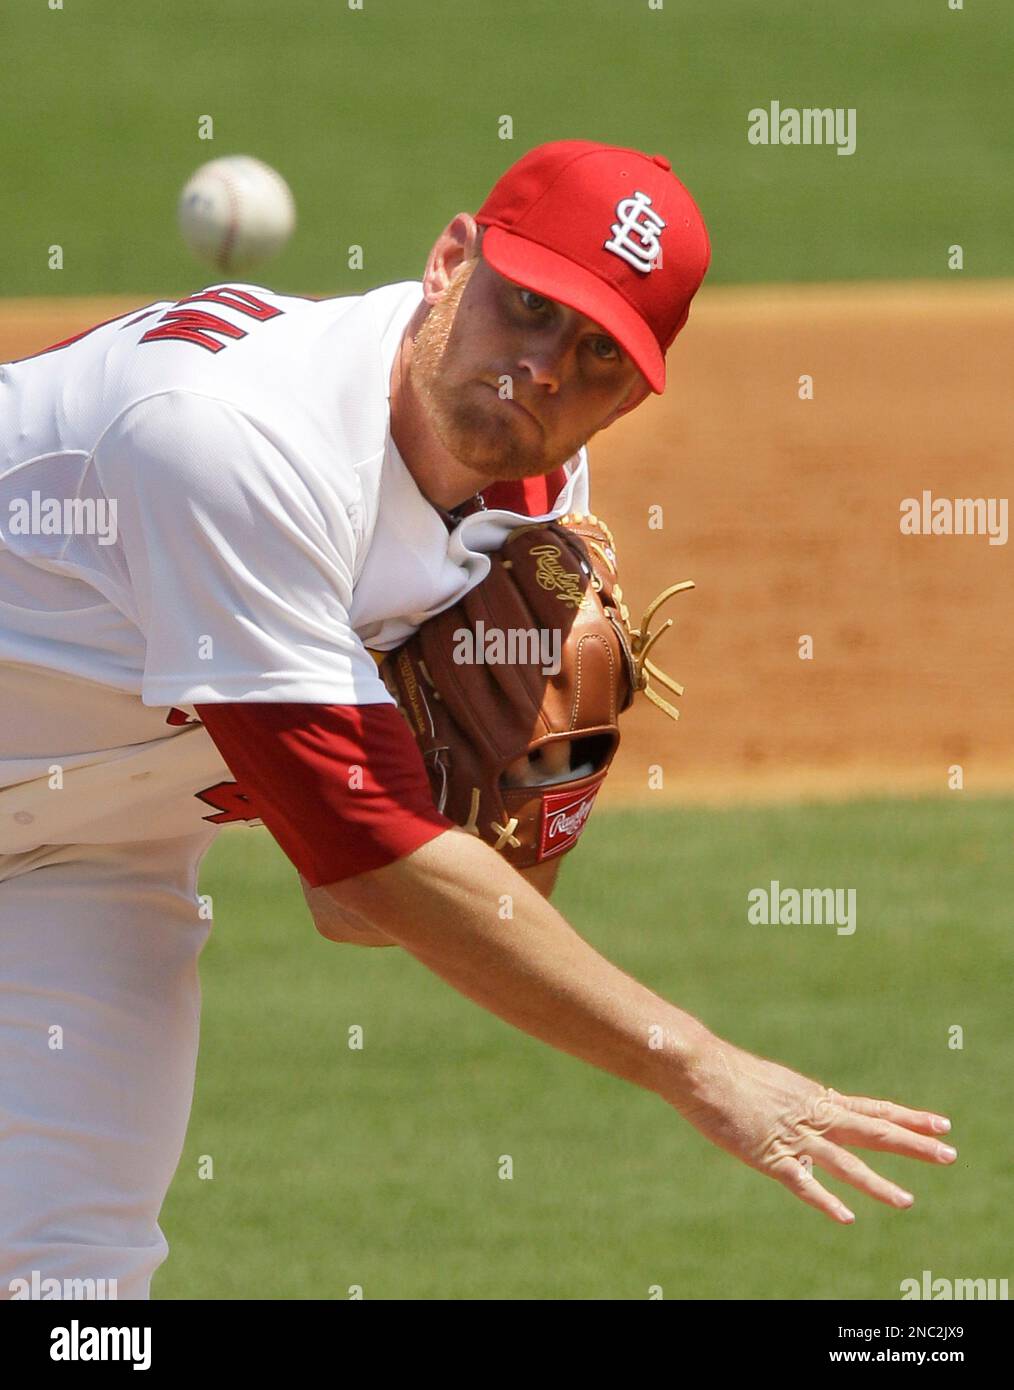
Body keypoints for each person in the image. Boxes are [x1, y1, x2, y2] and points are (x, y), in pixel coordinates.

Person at [0, 140, 954, 1301]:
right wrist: (701, 1067)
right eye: (529, 309)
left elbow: (353, 906)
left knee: (74, 1285)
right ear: (451, 260)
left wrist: (530, 810)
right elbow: (376, 870)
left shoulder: (539, 496)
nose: (546, 371)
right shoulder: (231, 441)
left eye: (599, 353)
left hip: (86, 852)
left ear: (638, 393)